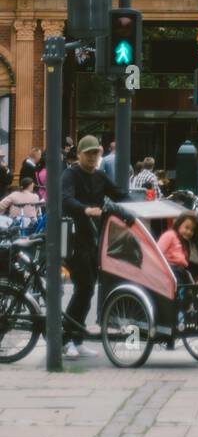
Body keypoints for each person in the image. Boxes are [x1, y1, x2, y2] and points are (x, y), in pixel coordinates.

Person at [60, 134, 124, 357]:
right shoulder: (70, 174)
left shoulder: (100, 176)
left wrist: (146, 203)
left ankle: (76, 340)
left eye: (96, 153)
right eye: (88, 154)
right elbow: (65, 199)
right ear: (79, 155)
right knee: (84, 287)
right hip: (73, 239)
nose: (92, 157)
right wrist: (85, 210)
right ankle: (65, 340)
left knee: (87, 289)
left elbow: (119, 194)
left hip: (92, 238)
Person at [157, 212, 198, 282]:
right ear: (179, 224)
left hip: (181, 273)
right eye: (187, 228)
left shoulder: (185, 243)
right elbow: (157, 253)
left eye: (192, 230)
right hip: (170, 272)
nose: (189, 232)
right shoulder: (170, 235)